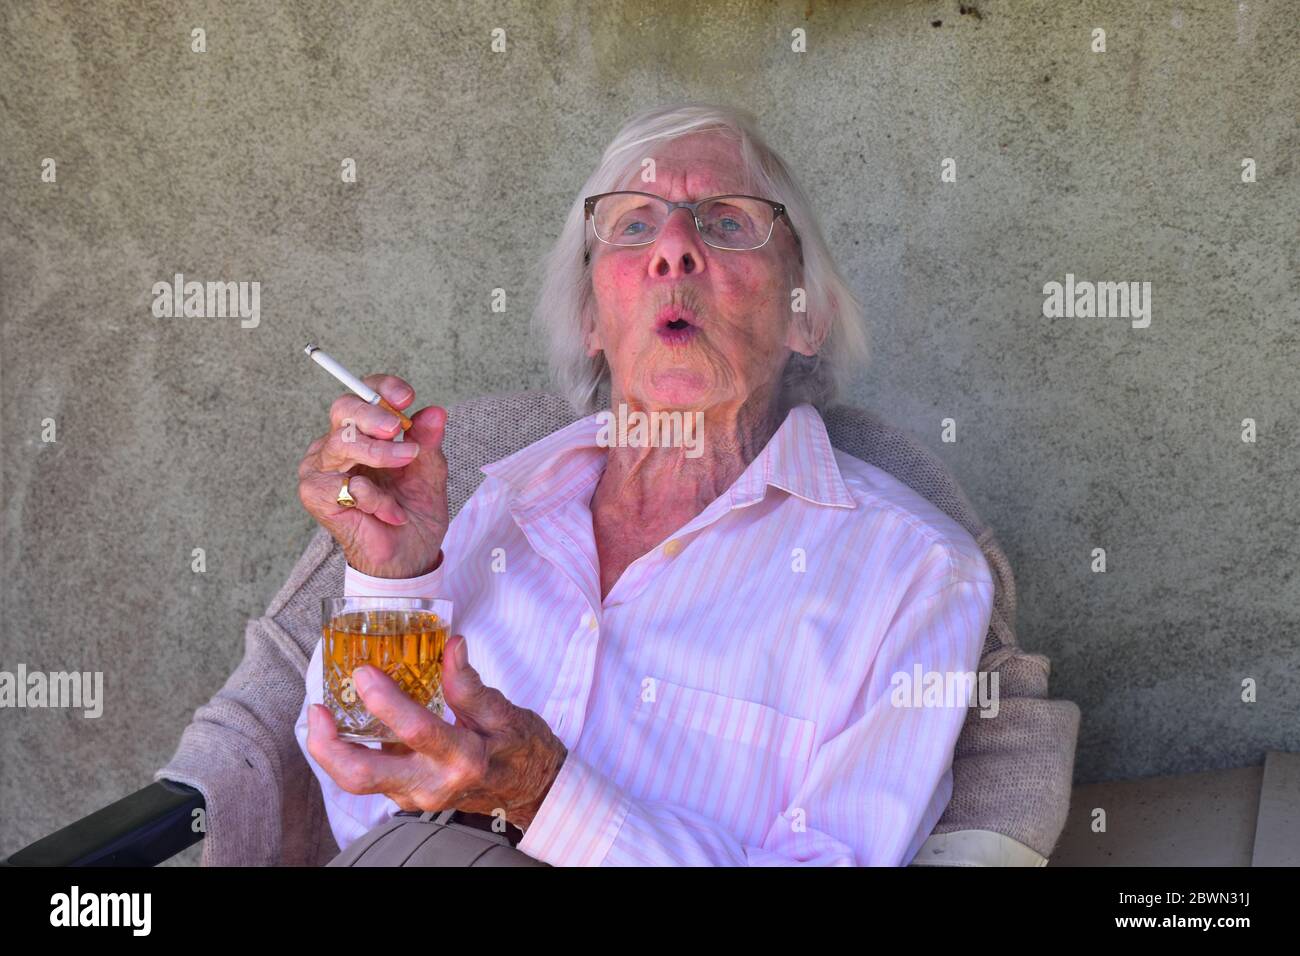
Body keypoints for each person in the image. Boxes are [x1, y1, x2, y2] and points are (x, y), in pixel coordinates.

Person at [293, 103, 994, 865]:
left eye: (726, 223)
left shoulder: (916, 573)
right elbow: (363, 815)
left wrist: (540, 793)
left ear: (808, 317)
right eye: (633, 227)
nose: (673, 252)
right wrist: (392, 580)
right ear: (593, 320)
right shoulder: (499, 502)